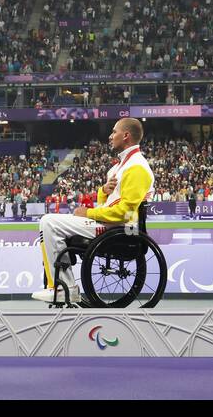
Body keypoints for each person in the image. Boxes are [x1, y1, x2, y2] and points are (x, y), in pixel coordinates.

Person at [32, 118, 154, 304]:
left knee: (49, 222)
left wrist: (88, 214)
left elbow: (124, 212)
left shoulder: (137, 167)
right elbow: (110, 204)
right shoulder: (120, 166)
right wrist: (103, 192)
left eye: (114, 132)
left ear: (126, 135)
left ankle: (64, 289)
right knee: (50, 222)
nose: (110, 136)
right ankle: (61, 284)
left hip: (120, 229)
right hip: (112, 225)